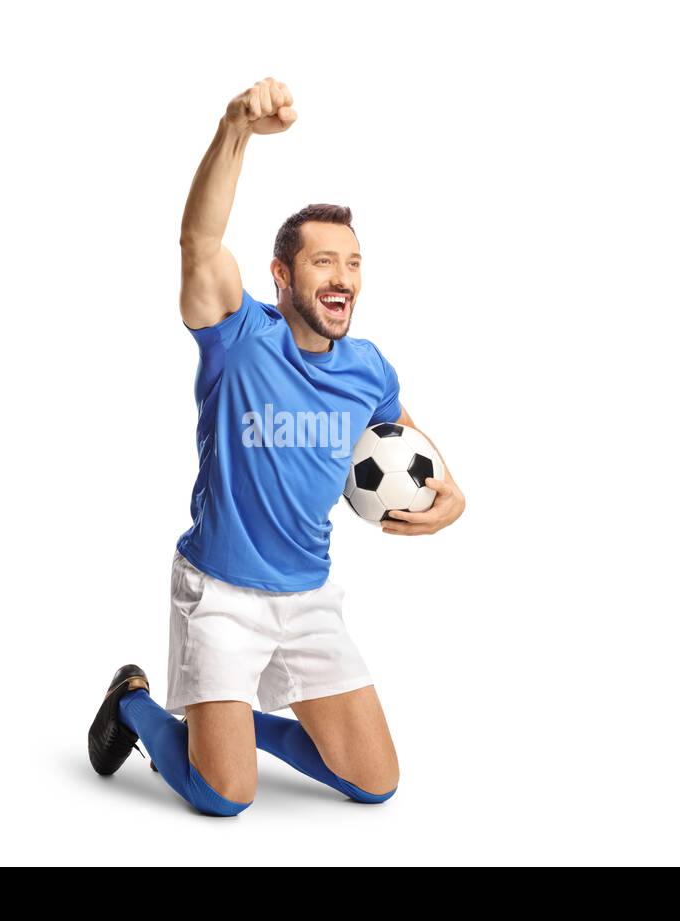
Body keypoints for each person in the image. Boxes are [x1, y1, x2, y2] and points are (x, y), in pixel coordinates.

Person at [87, 78, 466, 816]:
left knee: (374, 782)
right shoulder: (238, 337)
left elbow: (411, 447)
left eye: (353, 264)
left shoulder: (368, 369)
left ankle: (229, 723)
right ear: (282, 275)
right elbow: (199, 242)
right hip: (222, 594)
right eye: (325, 262)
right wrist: (235, 129)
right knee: (223, 796)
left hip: (309, 596)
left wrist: (455, 496)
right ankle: (134, 704)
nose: (344, 278)